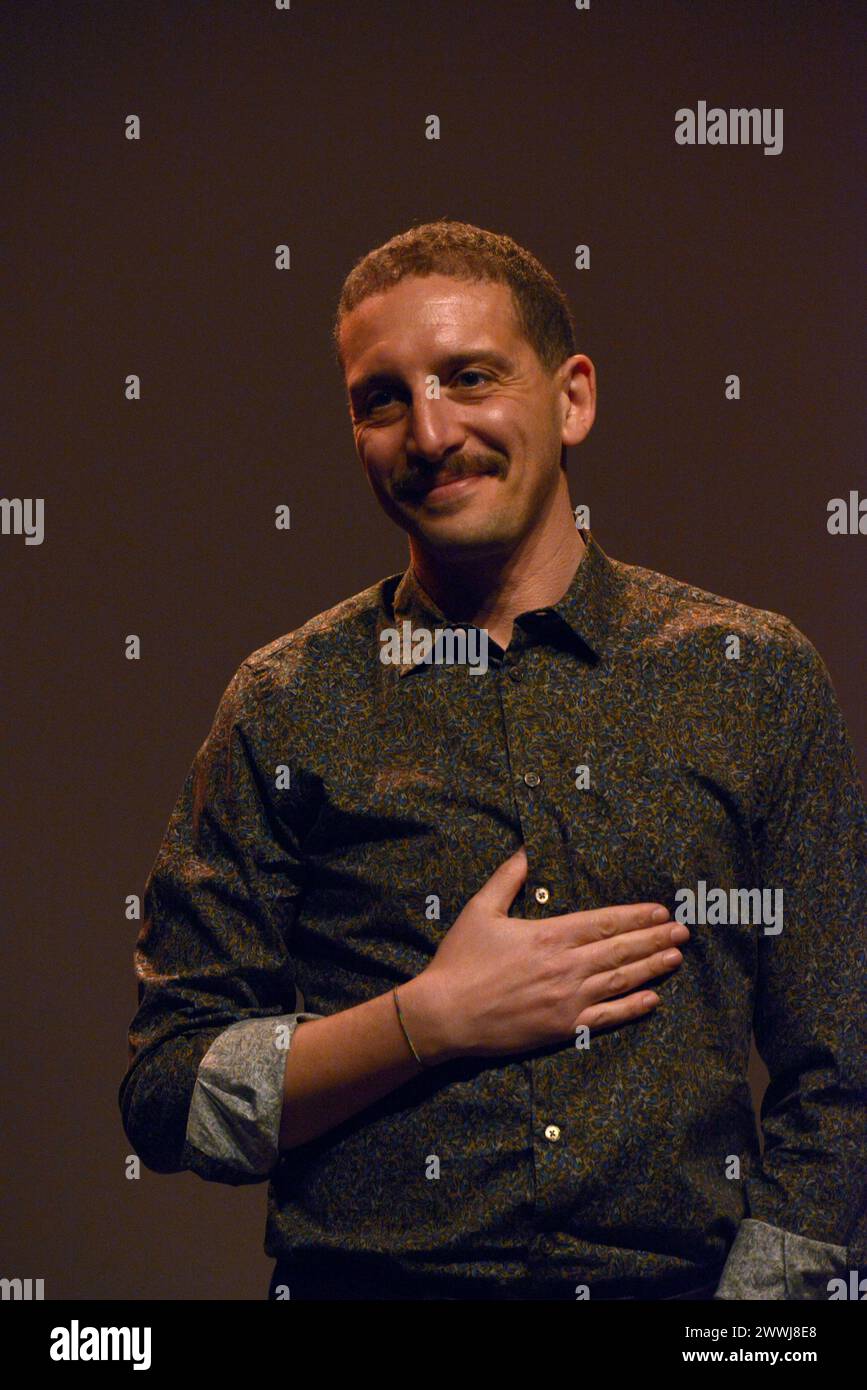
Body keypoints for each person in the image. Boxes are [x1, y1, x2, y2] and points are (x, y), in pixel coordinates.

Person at [119, 219, 866, 1301]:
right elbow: (169, 1092)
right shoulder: (286, 703)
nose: (429, 432)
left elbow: (839, 1081)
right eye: (383, 398)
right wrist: (426, 1021)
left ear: (572, 399)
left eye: (469, 377)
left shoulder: (752, 675)